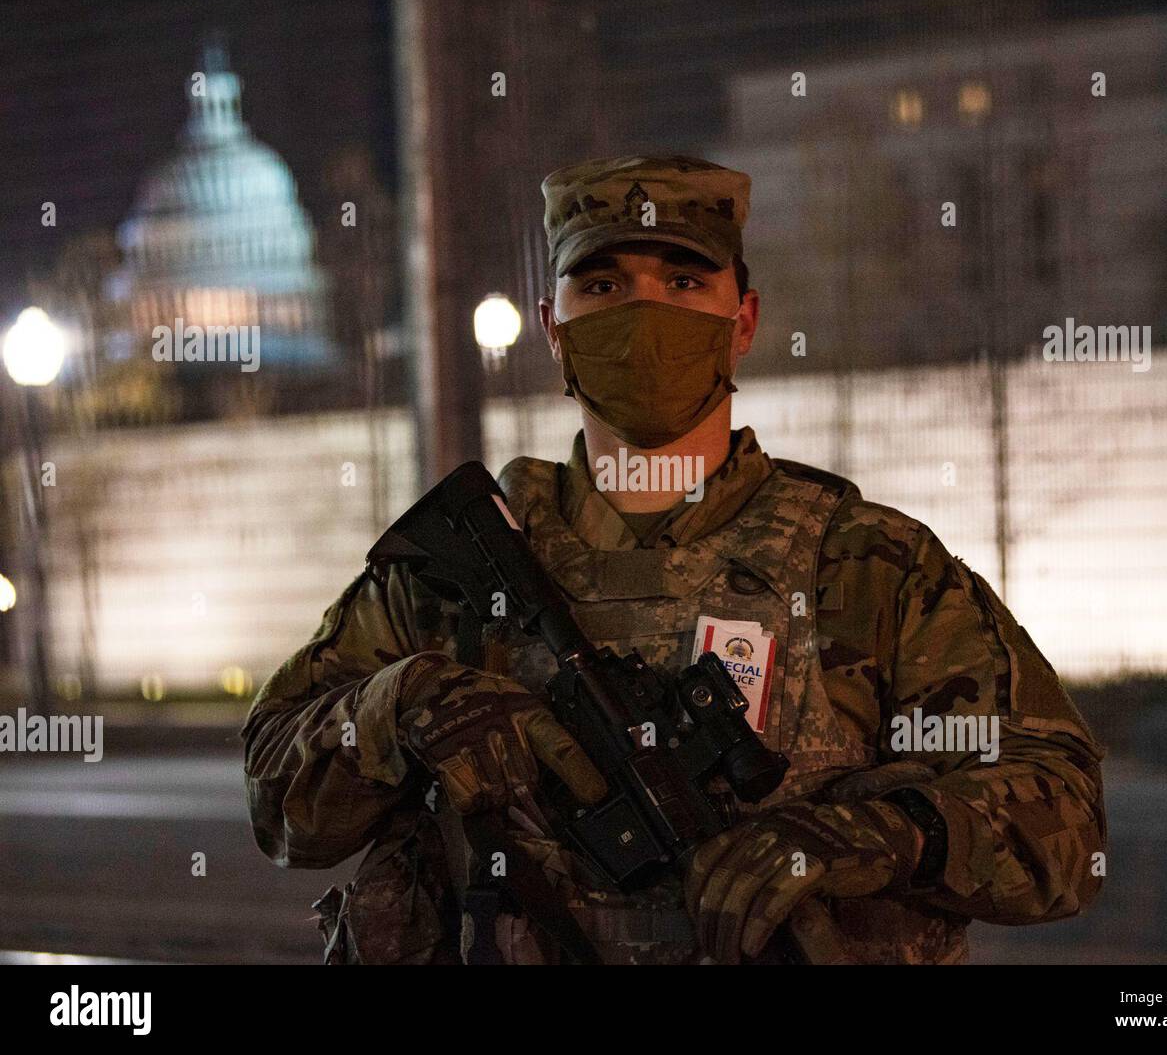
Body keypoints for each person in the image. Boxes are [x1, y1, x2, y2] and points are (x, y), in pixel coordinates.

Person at [241, 154, 1106, 965]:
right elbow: (277, 803)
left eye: (684, 281)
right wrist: (398, 706)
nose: (643, 313)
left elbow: (1065, 820)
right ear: (554, 328)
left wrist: (872, 834)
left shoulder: (867, 570)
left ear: (745, 321)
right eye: (604, 284)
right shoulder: (452, 575)